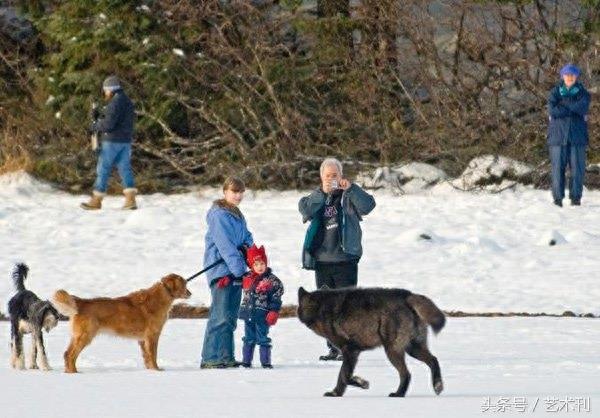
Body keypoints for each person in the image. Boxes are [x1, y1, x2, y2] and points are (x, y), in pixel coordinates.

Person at [298, 157, 376, 361]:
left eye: (335, 175)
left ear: (341, 176)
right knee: (325, 309)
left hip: (345, 259)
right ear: (321, 177)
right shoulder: (316, 198)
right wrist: (321, 192)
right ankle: (334, 347)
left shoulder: (349, 195)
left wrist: (351, 189)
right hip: (322, 261)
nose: (332, 179)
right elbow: (304, 209)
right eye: (328, 176)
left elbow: (368, 206)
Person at [200, 177, 254, 369]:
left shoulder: (237, 215)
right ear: (225, 192)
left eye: (241, 192)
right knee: (220, 315)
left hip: (236, 271)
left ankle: (226, 356)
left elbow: (247, 237)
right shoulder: (218, 215)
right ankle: (211, 357)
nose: (238, 196)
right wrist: (240, 269)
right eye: (234, 191)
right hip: (222, 270)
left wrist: (253, 254)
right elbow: (225, 246)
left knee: (230, 317)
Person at [81, 76, 137, 210]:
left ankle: (96, 200)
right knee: (125, 169)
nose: (105, 93)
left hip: (112, 141)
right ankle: (131, 200)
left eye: (106, 90)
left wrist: (94, 126)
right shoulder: (127, 101)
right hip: (125, 141)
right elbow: (116, 119)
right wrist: (100, 115)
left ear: (111, 90)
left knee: (103, 169)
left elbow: (109, 124)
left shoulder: (115, 102)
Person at [547, 63, 591, 207]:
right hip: (557, 137)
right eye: (567, 75)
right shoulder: (554, 92)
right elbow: (552, 110)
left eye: (572, 75)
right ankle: (557, 199)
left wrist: (563, 107)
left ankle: (576, 198)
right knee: (557, 169)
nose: (569, 77)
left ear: (576, 77)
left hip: (577, 137)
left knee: (577, 169)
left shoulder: (583, 93)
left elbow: (582, 107)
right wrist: (572, 109)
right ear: (562, 76)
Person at [238, 244, 284, 369]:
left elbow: (276, 296)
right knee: (248, 338)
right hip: (248, 314)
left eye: (262, 264)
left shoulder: (271, 280)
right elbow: (236, 282)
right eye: (256, 264)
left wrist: (274, 311)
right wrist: (226, 280)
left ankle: (266, 362)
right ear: (251, 265)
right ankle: (246, 361)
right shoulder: (247, 277)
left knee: (262, 338)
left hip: (263, 315)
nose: (260, 267)